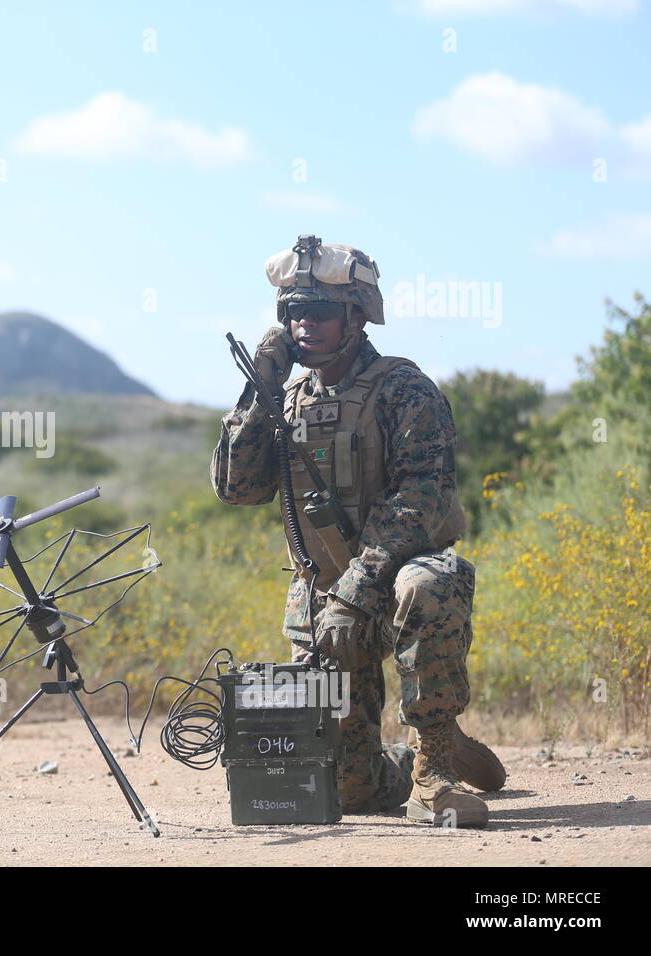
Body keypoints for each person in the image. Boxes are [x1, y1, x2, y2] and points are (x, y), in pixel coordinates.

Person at [211, 235, 505, 827]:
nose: (303, 326)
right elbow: (237, 490)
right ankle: (407, 758)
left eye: (319, 312)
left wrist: (356, 588)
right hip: (324, 600)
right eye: (292, 313)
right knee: (350, 793)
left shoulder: (403, 388)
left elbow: (421, 496)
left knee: (431, 581)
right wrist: (258, 389)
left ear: (357, 315)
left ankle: (436, 765)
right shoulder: (284, 399)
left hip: (395, 585)